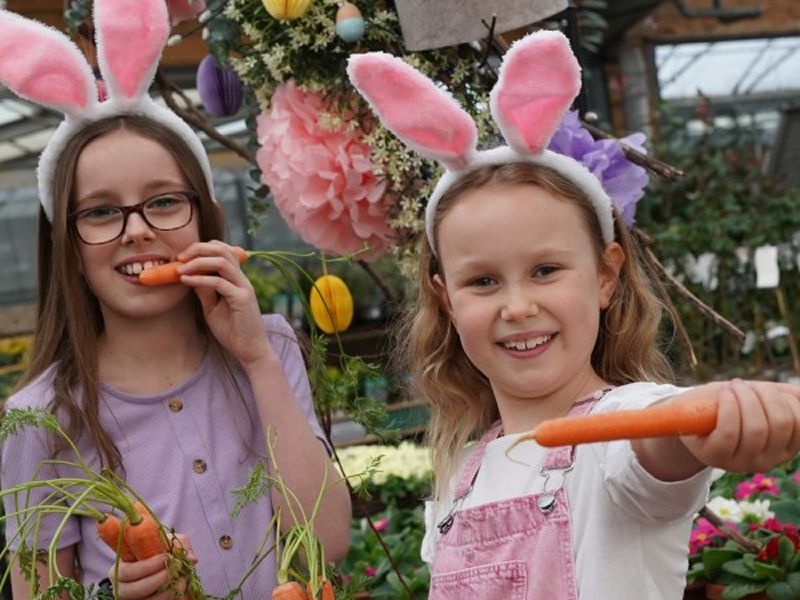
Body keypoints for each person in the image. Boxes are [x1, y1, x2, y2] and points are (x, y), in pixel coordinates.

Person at [347, 31, 800, 599]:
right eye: (483, 281)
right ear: (446, 299)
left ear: (606, 276)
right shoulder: (464, 474)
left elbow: (668, 437)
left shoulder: (622, 431)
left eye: (546, 271)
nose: (517, 307)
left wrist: (719, 416)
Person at [0, 2, 351, 599]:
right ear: (68, 246)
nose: (137, 230)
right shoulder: (40, 418)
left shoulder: (269, 346)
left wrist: (259, 363)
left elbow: (326, 542)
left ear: (206, 221)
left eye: (163, 202)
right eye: (102, 212)